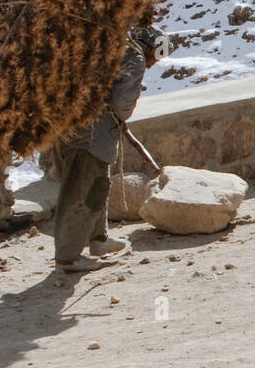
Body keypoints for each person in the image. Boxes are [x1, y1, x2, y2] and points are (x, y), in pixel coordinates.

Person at [51, 25, 170, 273]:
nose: (152, 64)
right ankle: (68, 257)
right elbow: (121, 102)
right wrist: (120, 116)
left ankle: (99, 240)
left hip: (70, 131)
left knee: (97, 186)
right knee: (81, 195)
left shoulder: (110, 47)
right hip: (91, 138)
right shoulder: (134, 56)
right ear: (151, 46)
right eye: (156, 56)